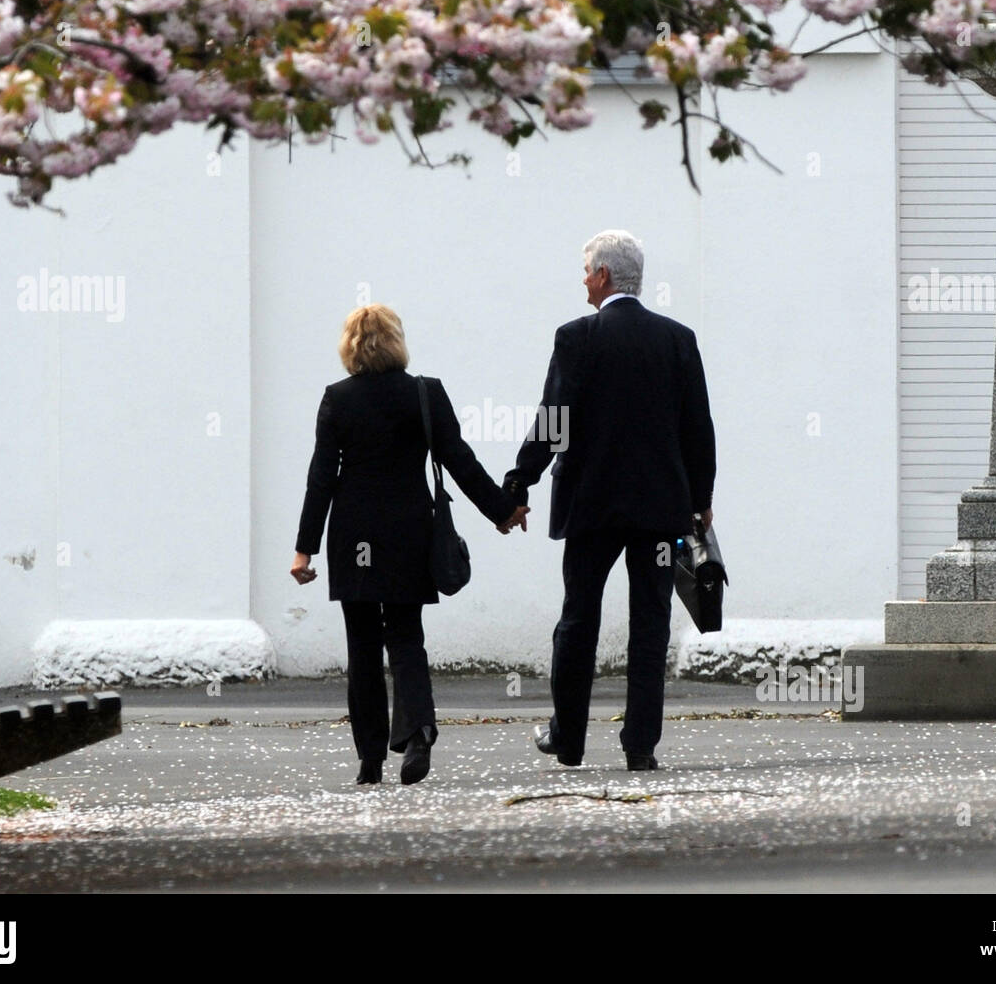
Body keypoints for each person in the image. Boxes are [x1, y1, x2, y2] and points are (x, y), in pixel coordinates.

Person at [503, 230, 716, 771]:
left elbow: (554, 422)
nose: (582, 280)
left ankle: (568, 738)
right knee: (651, 623)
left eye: (585, 271)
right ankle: (640, 745)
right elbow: (699, 429)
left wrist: (519, 482)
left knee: (578, 618)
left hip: (591, 507)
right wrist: (701, 500)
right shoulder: (678, 339)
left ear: (602, 276)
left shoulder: (577, 338)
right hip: (660, 510)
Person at [291, 304, 529, 785]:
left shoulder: (337, 399)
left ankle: (370, 758)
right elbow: (458, 459)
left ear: (351, 347)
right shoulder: (425, 392)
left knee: (362, 645)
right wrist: (502, 509)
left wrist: (304, 549)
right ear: (397, 341)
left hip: (353, 534)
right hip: (408, 530)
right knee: (405, 636)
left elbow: (321, 478)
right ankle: (418, 733)